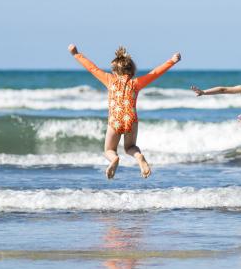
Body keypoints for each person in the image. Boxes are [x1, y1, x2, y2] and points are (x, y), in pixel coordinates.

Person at [69, 44, 180, 179]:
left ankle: (114, 159)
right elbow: (155, 73)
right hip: (131, 119)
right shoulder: (136, 83)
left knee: (109, 150)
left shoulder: (109, 80)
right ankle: (139, 157)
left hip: (114, 120)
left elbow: (92, 68)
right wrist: (172, 61)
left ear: (114, 71)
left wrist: (76, 54)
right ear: (132, 71)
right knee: (130, 147)